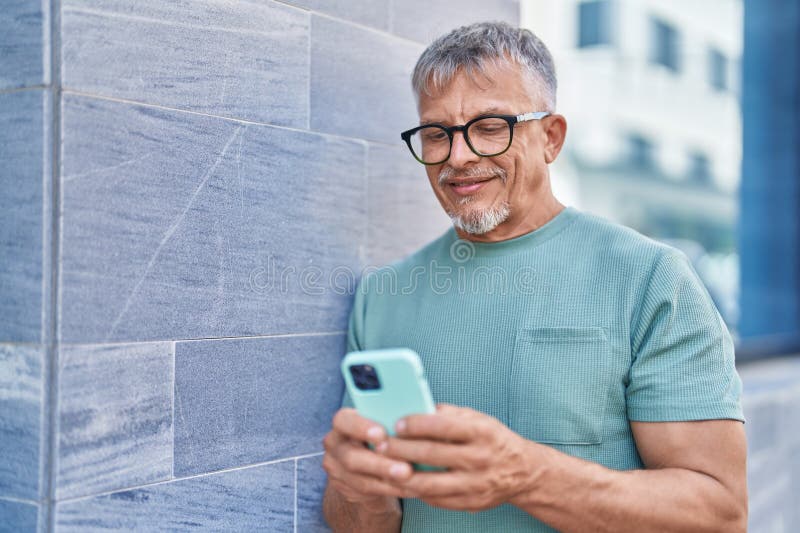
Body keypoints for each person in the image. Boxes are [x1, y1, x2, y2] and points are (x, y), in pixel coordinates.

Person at [322, 21, 747, 533]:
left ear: (551, 137)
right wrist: (360, 494)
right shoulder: (381, 296)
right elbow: (360, 522)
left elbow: (719, 515)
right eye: (437, 134)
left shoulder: (651, 280)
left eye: (489, 127)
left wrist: (525, 476)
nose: (458, 158)